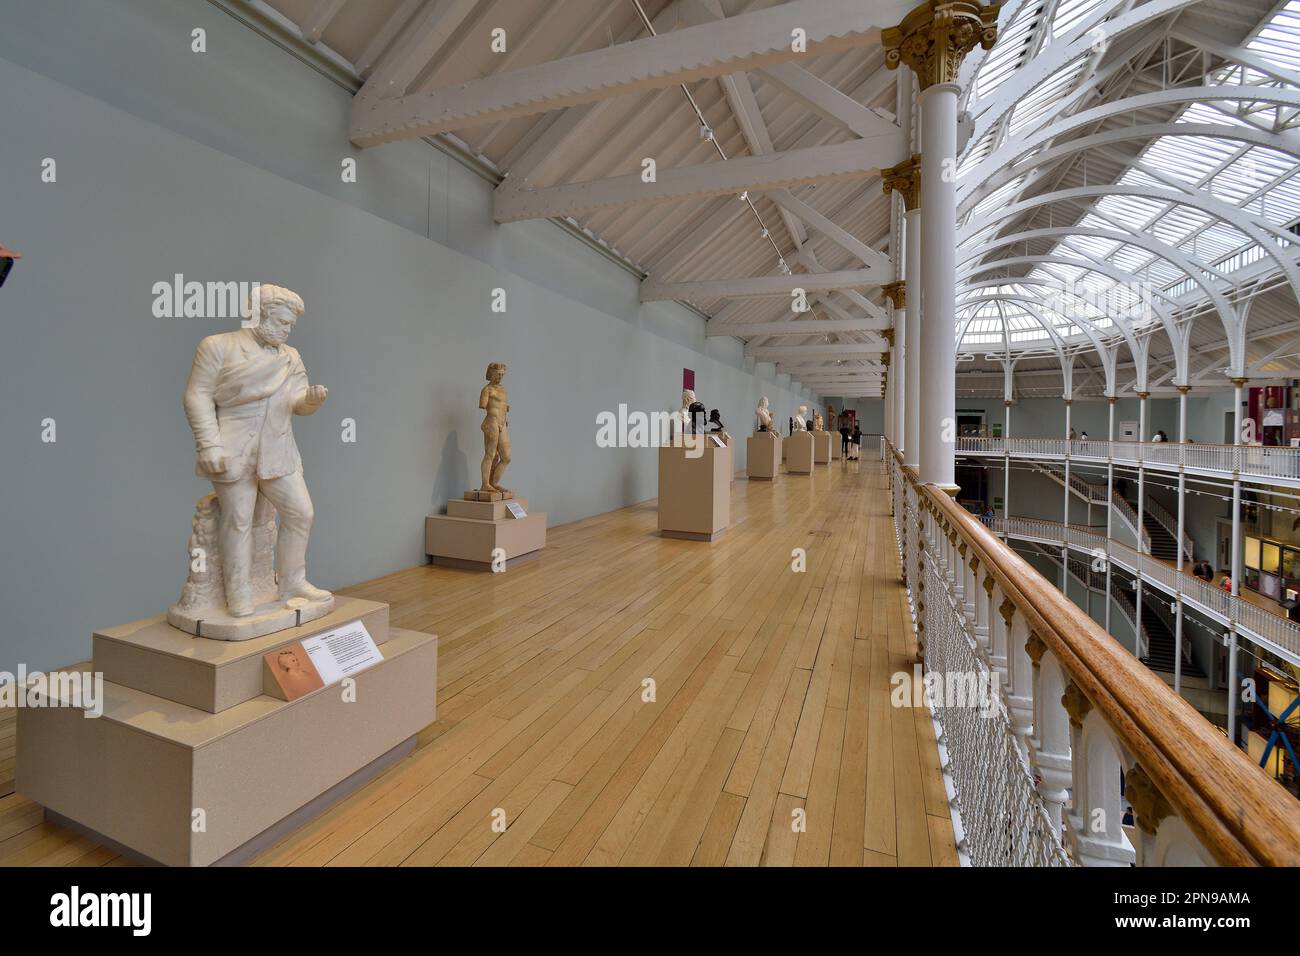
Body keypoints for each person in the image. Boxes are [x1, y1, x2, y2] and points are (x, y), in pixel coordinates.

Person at [182, 284, 330, 617]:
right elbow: (197, 395)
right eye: (280, 322)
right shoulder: (218, 346)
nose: (286, 331)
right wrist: (208, 443)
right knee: (238, 520)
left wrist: (311, 400)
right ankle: (239, 592)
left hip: (279, 449)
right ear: (258, 315)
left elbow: (297, 402)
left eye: (290, 325)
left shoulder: (290, 357)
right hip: (233, 448)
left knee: (301, 513)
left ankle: (293, 581)